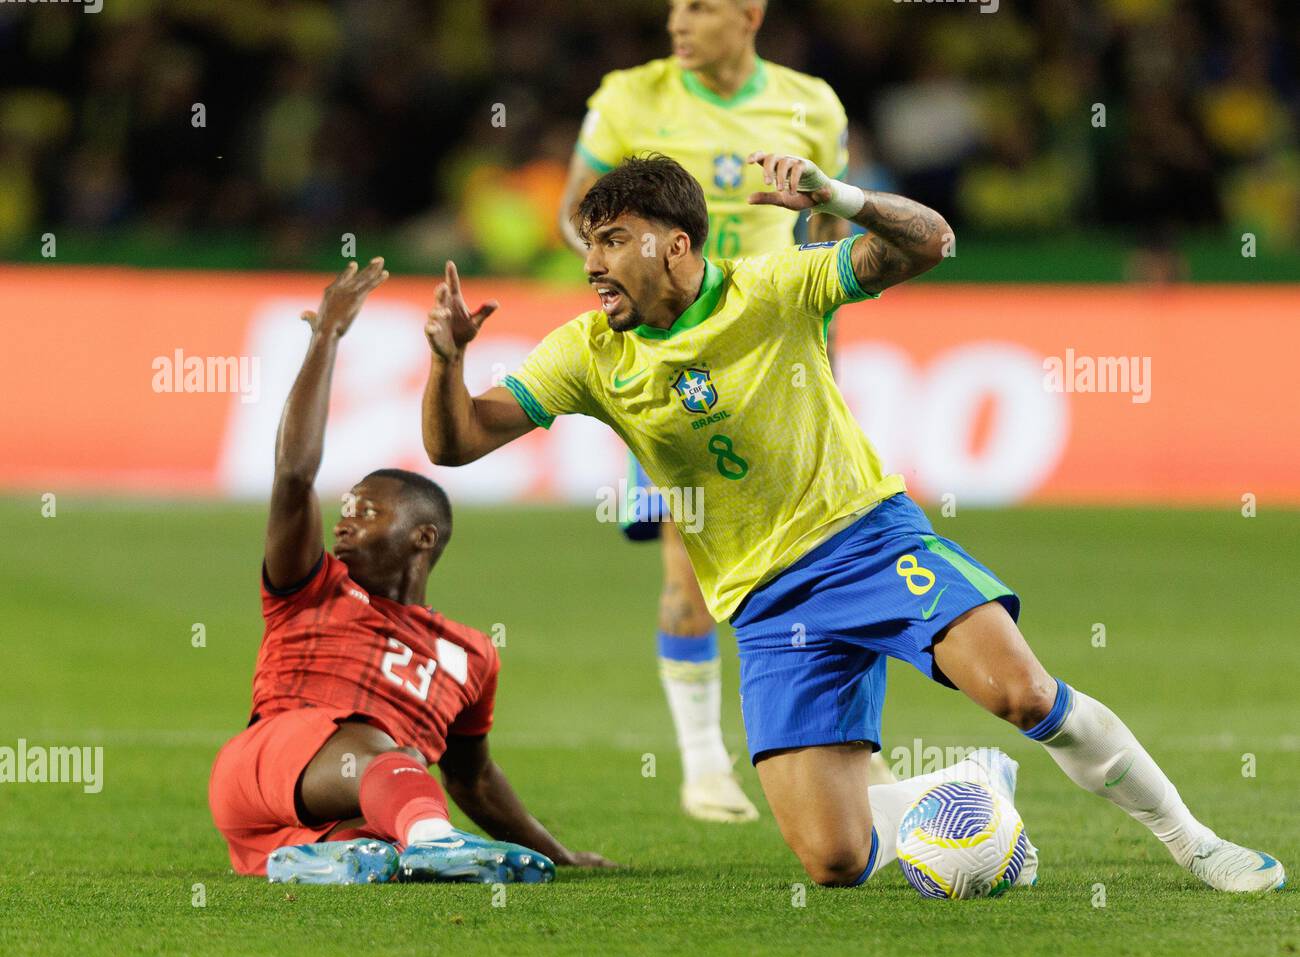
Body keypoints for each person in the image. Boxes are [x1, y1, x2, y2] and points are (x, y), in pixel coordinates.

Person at [418, 155, 1284, 892]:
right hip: (765, 604)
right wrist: (446, 361)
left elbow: (931, 241)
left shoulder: (775, 286)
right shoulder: (586, 353)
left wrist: (843, 199)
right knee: (835, 860)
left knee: (1021, 692)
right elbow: (456, 444)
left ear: (676, 243)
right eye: (589, 246)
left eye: (612, 241)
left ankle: (1194, 841)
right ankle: (967, 787)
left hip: (868, 540)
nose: (593, 265)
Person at [558, 0, 877, 821]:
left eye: (698, 6)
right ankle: (704, 762)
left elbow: (831, 220)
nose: (677, 21)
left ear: (749, 13)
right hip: (674, 358)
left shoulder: (814, 103)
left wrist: (819, 323)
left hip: (779, 362)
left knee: (827, 551)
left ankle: (850, 751)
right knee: (690, 561)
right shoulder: (630, 96)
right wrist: (632, 279)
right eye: (671, 7)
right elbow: (573, 213)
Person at [208, 258, 613, 884]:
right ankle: (435, 841)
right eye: (345, 510)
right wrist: (326, 337)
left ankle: (324, 858)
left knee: (386, 828)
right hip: (268, 764)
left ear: (422, 537)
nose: (343, 523)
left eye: (366, 512)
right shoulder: (308, 590)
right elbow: (293, 475)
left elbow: (473, 776)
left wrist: (557, 851)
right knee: (393, 765)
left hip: (352, 805)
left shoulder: (471, 655)